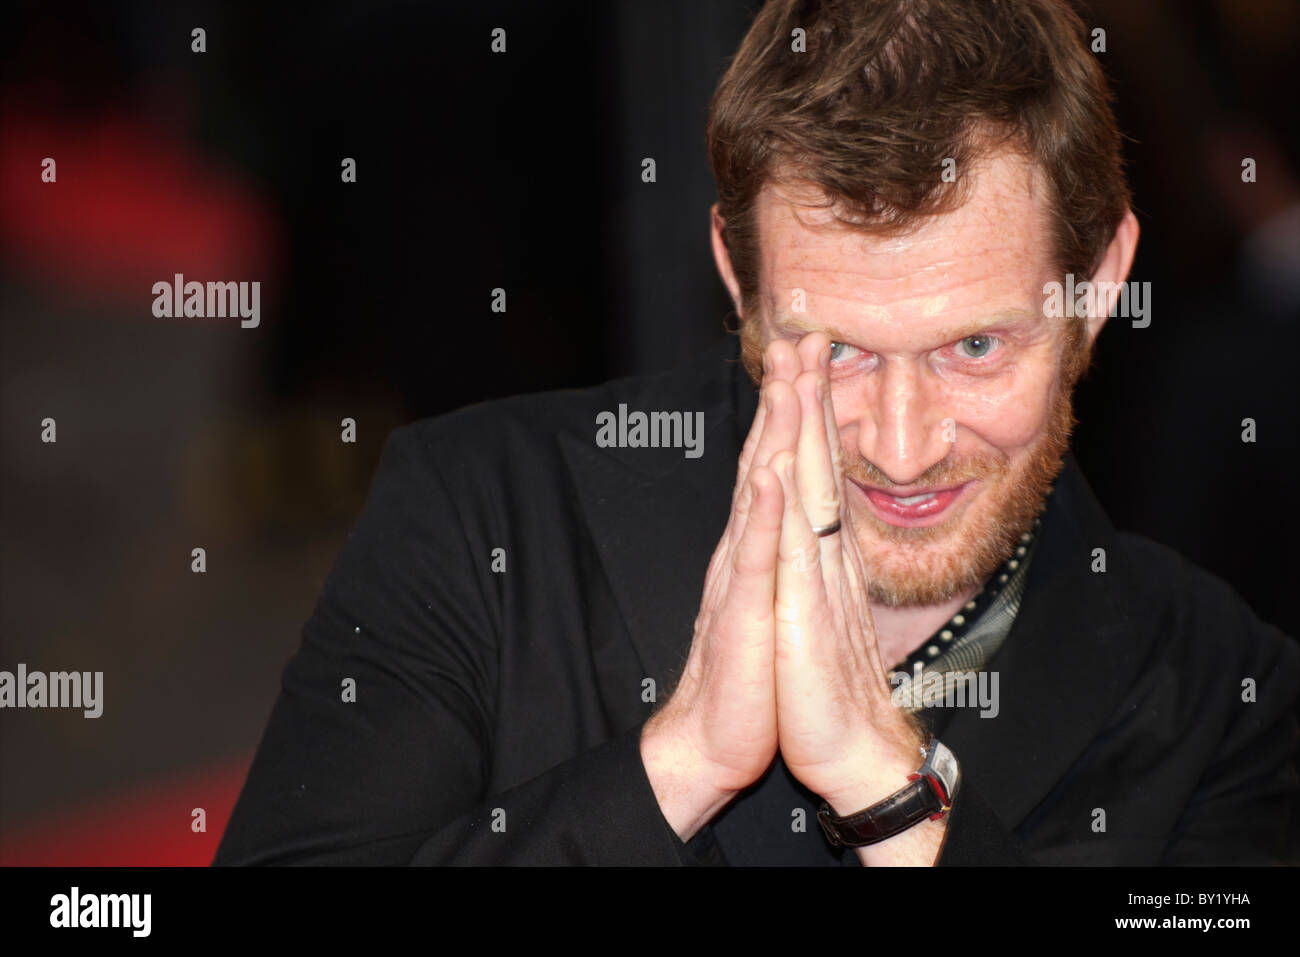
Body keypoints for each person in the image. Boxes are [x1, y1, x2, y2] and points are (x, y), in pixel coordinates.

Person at [213, 0, 1298, 866]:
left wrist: (898, 809)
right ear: (739, 279)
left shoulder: (1224, 697)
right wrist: (675, 766)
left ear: (1098, 283)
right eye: (836, 351)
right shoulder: (479, 513)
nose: (905, 445)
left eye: (975, 348)